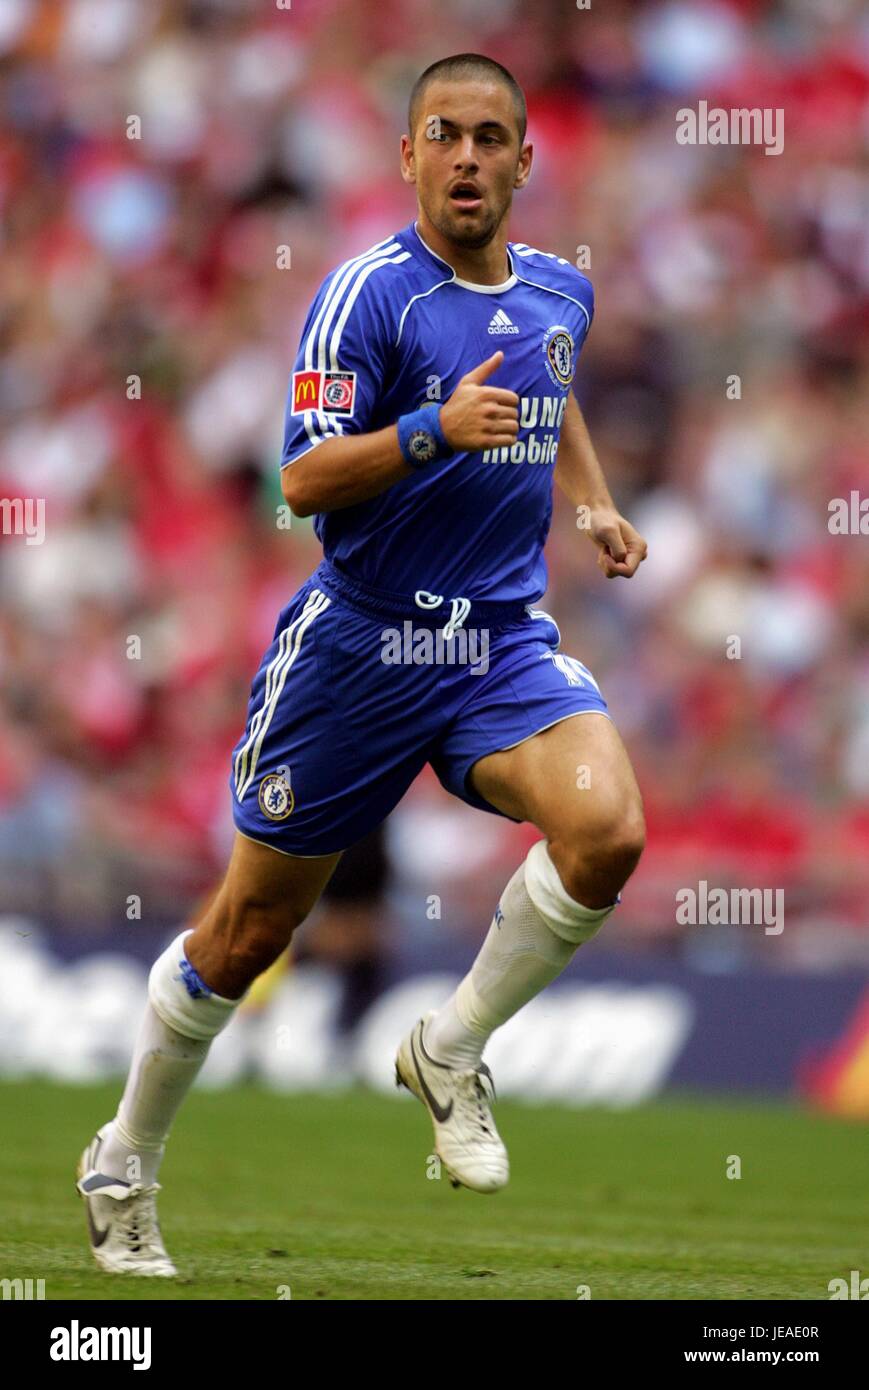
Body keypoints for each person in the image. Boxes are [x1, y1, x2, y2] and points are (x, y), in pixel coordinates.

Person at [76, 53, 647, 1276]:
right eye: (442, 134)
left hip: (493, 641)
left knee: (606, 831)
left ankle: (448, 1048)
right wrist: (436, 427)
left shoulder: (558, 294)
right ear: (407, 156)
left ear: (522, 164)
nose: (465, 157)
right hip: (360, 646)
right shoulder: (365, 299)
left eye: (490, 138)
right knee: (246, 933)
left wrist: (592, 504)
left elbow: (555, 393)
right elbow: (300, 480)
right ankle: (124, 1157)